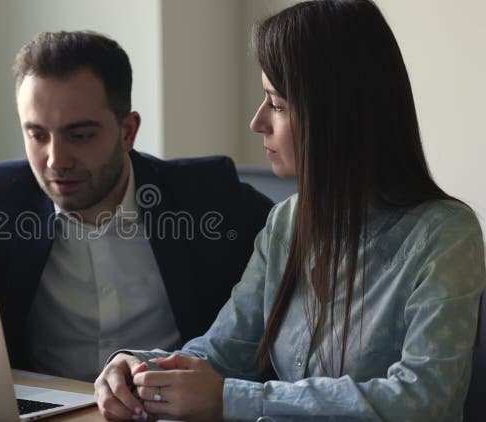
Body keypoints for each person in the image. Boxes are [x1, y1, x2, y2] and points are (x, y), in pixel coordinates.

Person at [94, 0, 486, 420]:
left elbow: (425, 400)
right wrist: (139, 369)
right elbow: (224, 350)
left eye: (277, 104)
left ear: (338, 115)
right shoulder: (287, 221)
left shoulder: (445, 234)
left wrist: (231, 399)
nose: (258, 121)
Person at [0, 31, 273, 382]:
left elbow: (303, 250)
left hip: (165, 410)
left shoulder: (206, 195)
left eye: (80, 135)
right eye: (37, 135)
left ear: (128, 131)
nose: (56, 160)